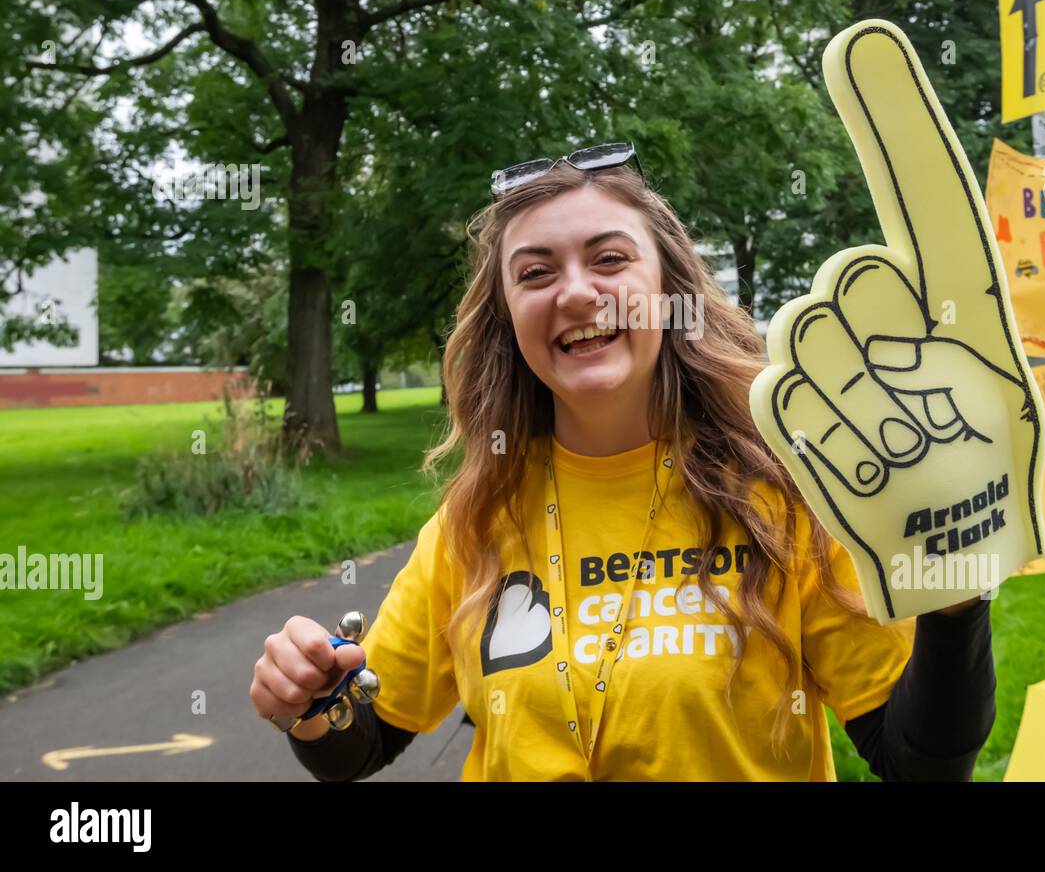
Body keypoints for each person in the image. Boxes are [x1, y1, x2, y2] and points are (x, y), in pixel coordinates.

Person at [249, 143, 996, 782]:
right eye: (535, 274)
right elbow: (366, 738)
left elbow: (919, 763)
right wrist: (313, 702)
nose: (576, 292)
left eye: (609, 258)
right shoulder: (475, 517)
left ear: (669, 292)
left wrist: (954, 602)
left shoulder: (784, 495)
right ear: (509, 318)